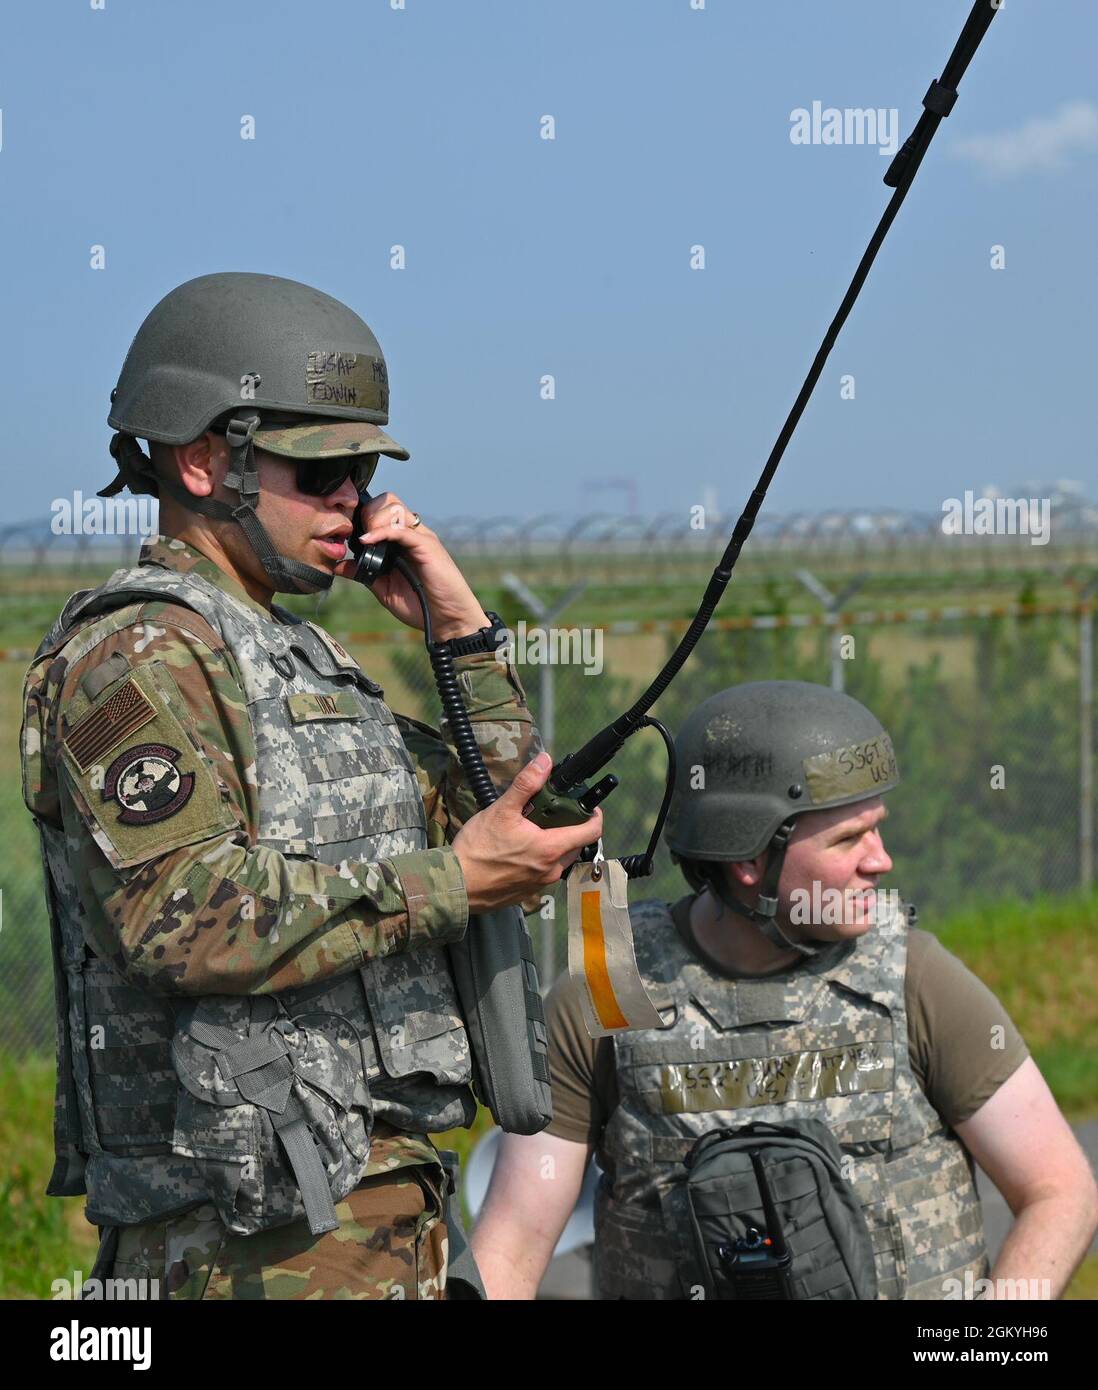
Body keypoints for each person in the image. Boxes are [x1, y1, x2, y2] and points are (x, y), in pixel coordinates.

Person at [19, 271, 601, 1300]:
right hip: (240, 1242)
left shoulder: (305, 659)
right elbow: (177, 915)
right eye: (320, 470)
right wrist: (446, 884)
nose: (356, 499)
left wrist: (460, 635)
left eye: (364, 469)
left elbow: (527, 823)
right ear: (204, 463)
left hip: (381, 1216)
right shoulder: (138, 655)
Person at [472, 681, 1098, 1300]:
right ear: (748, 861)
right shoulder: (608, 989)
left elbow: (1059, 1190)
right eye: (848, 839)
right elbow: (515, 1243)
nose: (880, 861)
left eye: (875, 830)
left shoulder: (914, 979)